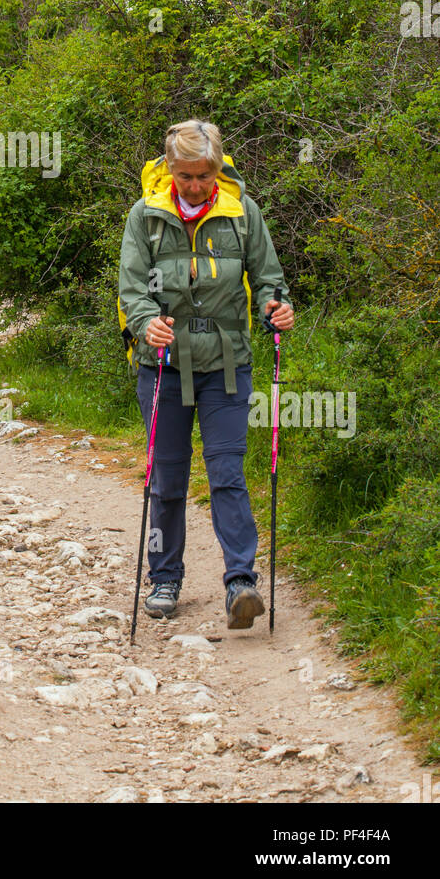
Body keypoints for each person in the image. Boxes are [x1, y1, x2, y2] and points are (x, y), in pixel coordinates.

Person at [118, 119, 295, 629]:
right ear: (170, 170)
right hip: (164, 366)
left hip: (227, 366)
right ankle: (164, 578)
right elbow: (133, 287)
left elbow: (267, 279)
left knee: (227, 473)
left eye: (203, 175)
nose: (195, 185)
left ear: (217, 170)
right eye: (186, 175)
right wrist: (147, 321)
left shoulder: (242, 213)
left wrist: (274, 308)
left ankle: (241, 581)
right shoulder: (145, 217)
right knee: (166, 479)